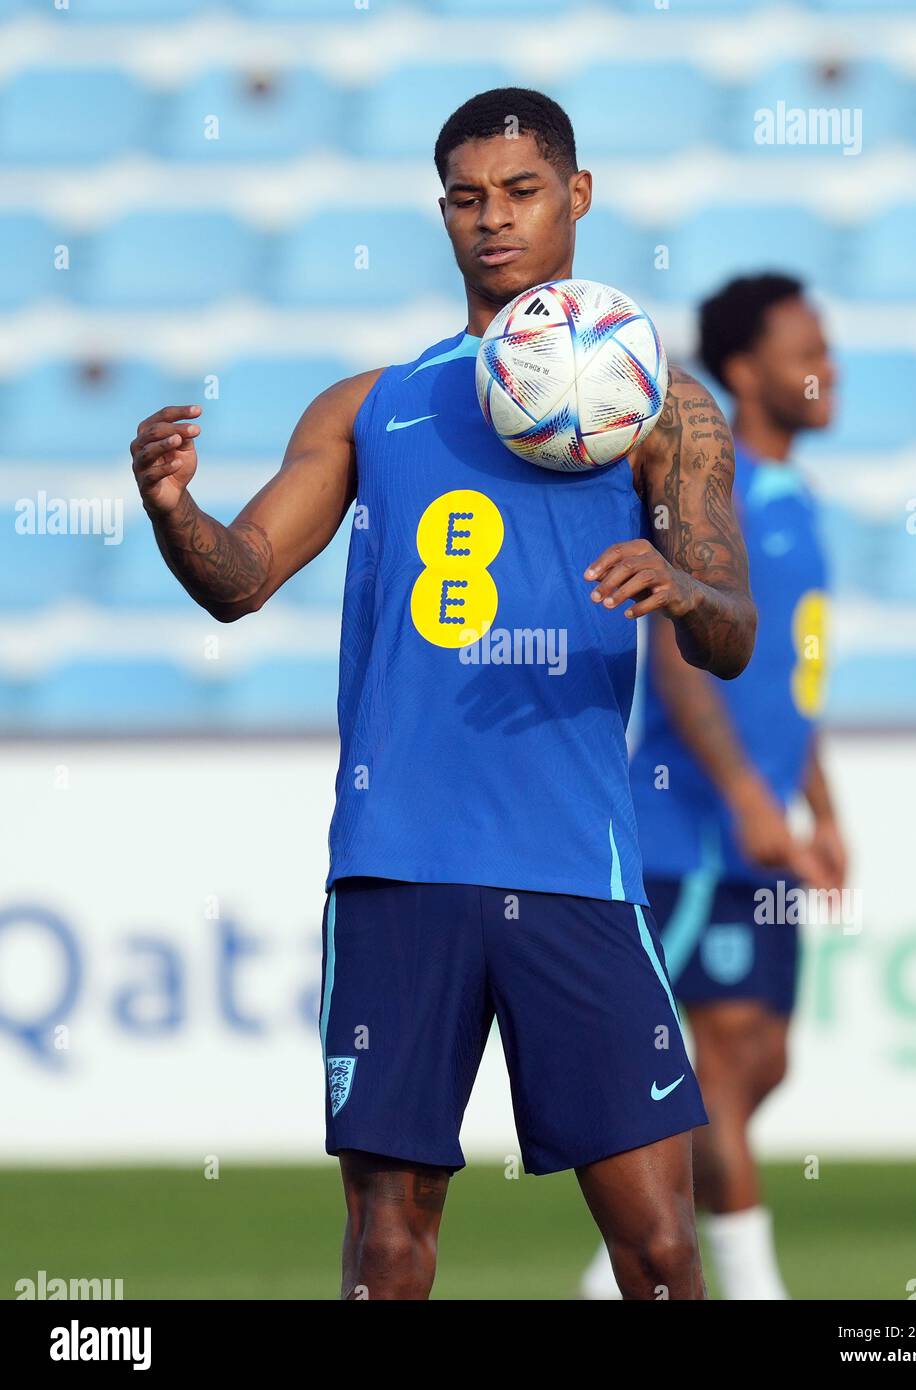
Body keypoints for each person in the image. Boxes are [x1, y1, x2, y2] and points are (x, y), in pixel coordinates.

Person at [129, 89, 755, 1301]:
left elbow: (729, 635)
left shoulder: (658, 411)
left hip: (573, 865)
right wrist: (175, 514)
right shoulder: (374, 403)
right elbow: (240, 579)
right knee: (388, 1243)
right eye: (467, 198)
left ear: (576, 196)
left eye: (520, 192)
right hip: (396, 862)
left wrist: (679, 584)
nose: (492, 221)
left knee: (662, 1249)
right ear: (441, 212)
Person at [582, 273, 846, 1300]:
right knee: (718, 1071)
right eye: (805, 348)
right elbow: (678, 647)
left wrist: (819, 807)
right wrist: (743, 793)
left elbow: (789, 681)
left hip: (753, 832)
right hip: (689, 836)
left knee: (757, 1061)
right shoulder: (718, 493)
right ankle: (749, 1285)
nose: (826, 367)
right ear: (743, 371)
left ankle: (609, 1286)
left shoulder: (792, 501)